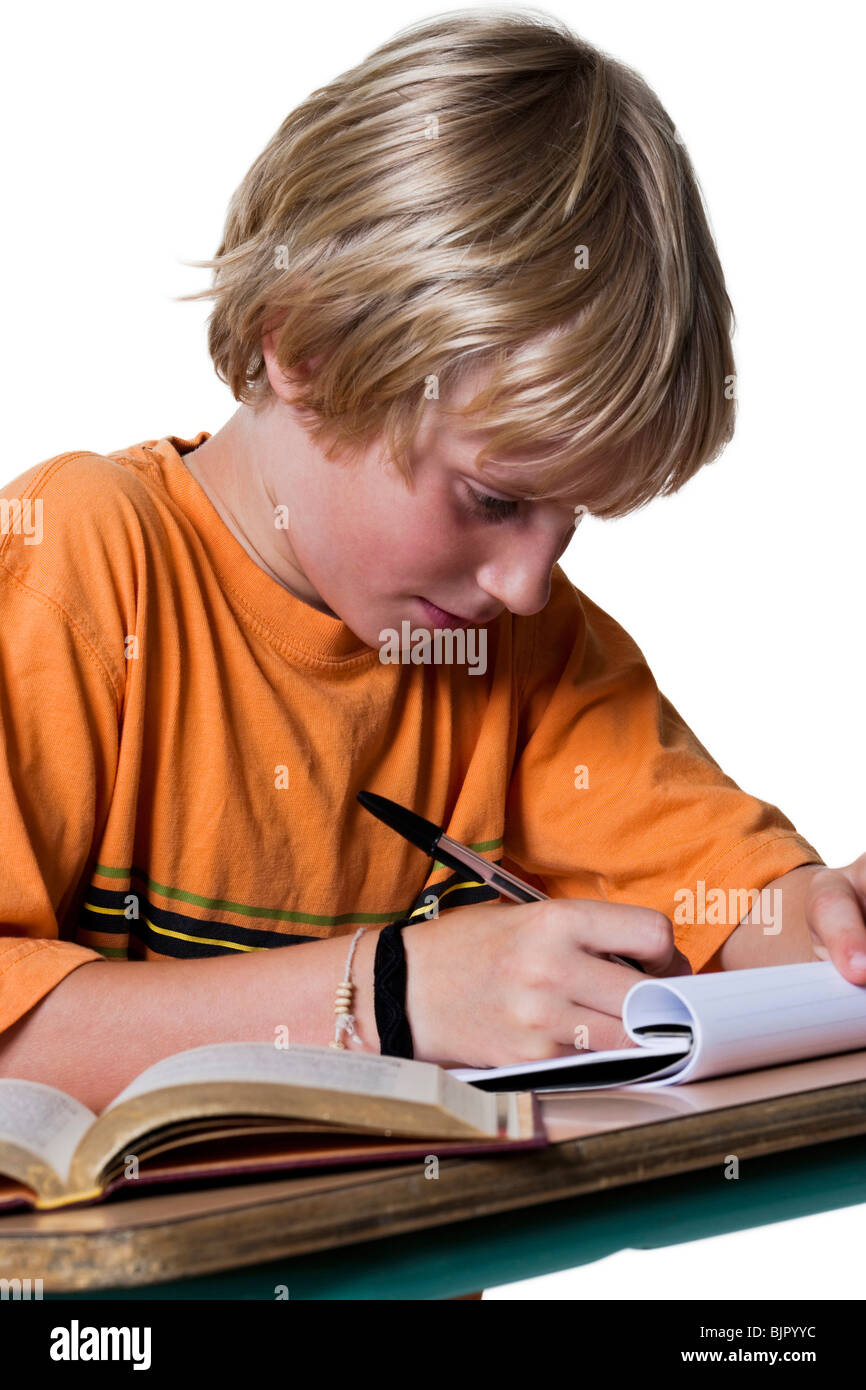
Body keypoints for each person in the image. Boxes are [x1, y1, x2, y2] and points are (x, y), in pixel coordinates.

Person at [2, 9, 863, 1138]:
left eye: (574, 518)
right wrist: (388, 996)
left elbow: (727, 904)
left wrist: (828, 924)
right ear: (301, 348)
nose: (525, 584)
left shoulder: (531, 654)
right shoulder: (77, 564)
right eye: (494, 498)